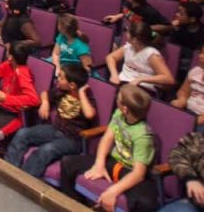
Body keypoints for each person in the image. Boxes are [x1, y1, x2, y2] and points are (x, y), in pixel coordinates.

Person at [59, 84, 159, 212]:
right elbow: (107, 138)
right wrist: (99, 164)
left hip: (129, 170)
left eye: (118, 98)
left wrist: (113, 191)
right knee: (68, 163)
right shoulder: (119, 114)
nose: (116, 99)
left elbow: (138, 173)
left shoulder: (143, 135)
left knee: (145, 203)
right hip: (113, 162)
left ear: (125, 108)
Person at [4, 64, 96, 178]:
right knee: (23, 133)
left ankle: (25, 180)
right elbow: (44, 94)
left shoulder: (86, 97)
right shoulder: (61, 91)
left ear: (72, 85)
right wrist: (45, 102)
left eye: (61, 78)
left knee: (46, 150)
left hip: (72, 139)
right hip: (55, 129)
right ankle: (9, 170)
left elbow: (89, 114)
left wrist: (81, 93)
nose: (57, 79)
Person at [106, 21, 175, 92]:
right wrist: (114, 74)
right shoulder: (128, 47)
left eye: (128, 32)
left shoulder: (151, 54)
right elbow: (111, 57)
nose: (126, 34)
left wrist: (141, 79)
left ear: (134, 40)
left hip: (142, 89)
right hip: (123, 83)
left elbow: (168, 79)